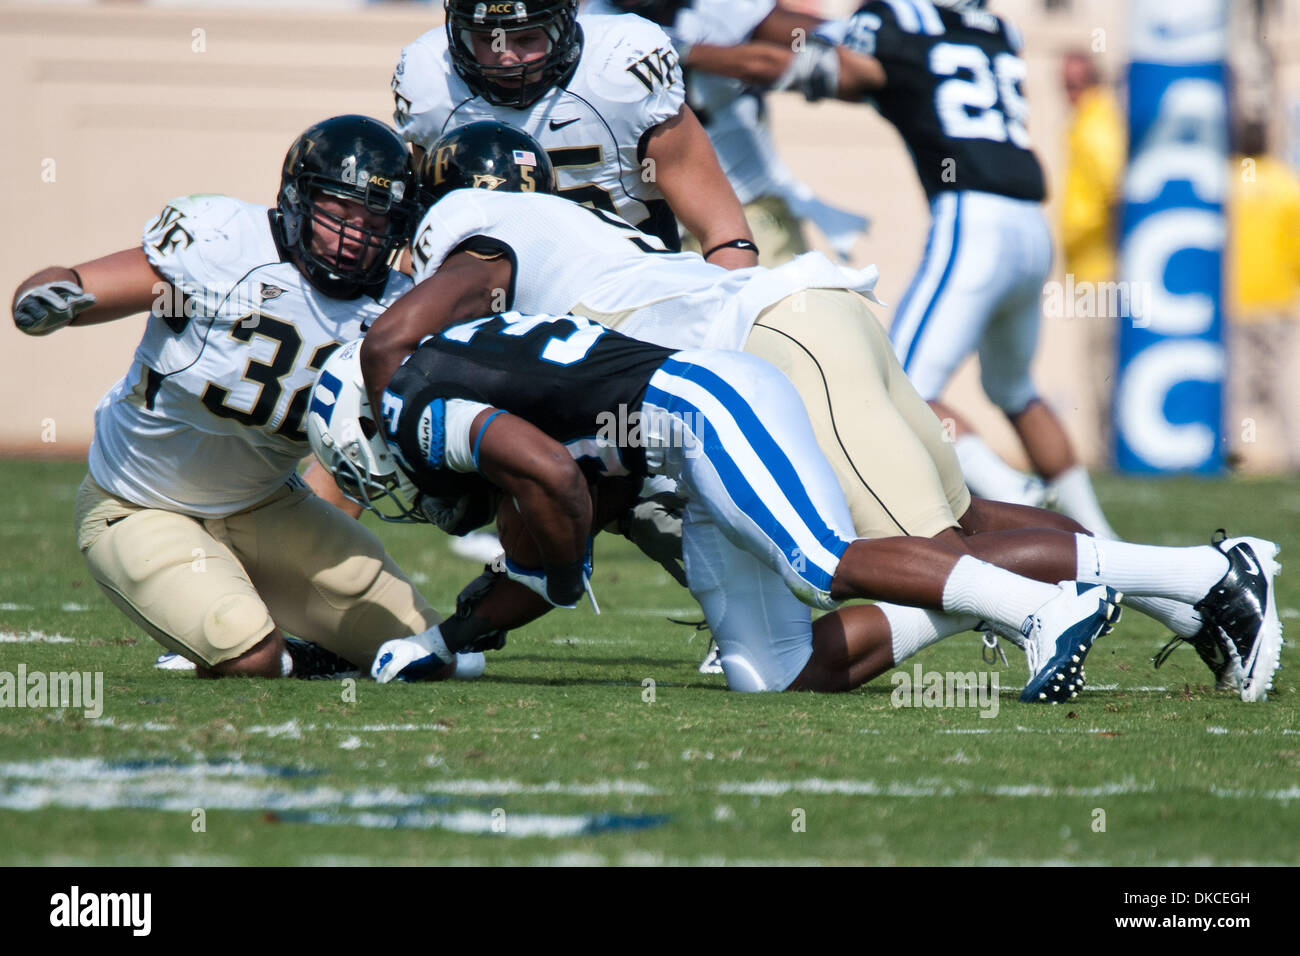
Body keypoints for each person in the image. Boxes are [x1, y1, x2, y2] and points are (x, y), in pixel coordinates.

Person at [345, 122, 1284, 701]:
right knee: (799, 654)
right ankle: (1184, 592)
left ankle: (1202, 576)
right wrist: (456, 635)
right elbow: (578, 512)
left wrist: (393, 398)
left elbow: (407, 335)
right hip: (784, 333)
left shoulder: (465, 232)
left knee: (890, 553)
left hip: (773, 345)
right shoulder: (578, 257)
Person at [10, 115, 481, 681]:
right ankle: (248, 633)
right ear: (297, 199)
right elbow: (94, 284)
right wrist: (60, 294)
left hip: (267, 506)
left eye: (376, 217)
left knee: (429, 656)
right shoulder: (224, 245)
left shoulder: (398, 308)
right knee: (253, 658)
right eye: (339, 210)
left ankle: (295, 643)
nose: (356, 232)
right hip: (139, 503)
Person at [819, 0, 1118, 538]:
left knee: (900, 380)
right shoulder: (998, 28)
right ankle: (1099, 534)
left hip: (973, 216)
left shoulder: (902, 18)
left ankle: (1013, 493)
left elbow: (844, 71)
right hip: (1030, 222)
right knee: (1014, 390)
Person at [392, 0, 758, 267]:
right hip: (497, 309)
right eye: (487, 40)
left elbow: (725, 236)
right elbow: (426, 241)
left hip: (631, 297)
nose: (506, 57)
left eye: (527, 38)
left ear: (563, 26)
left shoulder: (620, 72)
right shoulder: (434, 88)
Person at [590, 0, 872, 264]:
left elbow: (835, 53)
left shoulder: (721, 8)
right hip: (636, 225)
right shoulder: (589, 23)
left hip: (746, 205)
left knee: (775, 310)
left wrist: (688, 52)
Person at [1227, 119, 1300, 472]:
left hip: (1235, 300)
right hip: (1277, 300)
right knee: (1285, 384)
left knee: (1239, 386)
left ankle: (1240, 454)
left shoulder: (1226, 183)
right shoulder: (1286, 183)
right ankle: (1293, 453)